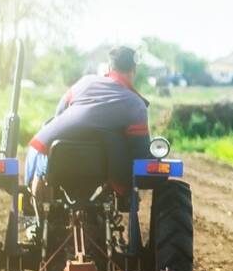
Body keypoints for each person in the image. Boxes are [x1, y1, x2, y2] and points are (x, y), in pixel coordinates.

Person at [24, 45, 151, 198]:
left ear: (109, 67)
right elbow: (140, 150)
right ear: (134, 70)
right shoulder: (136, 103)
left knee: (42, 140)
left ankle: (32, 191)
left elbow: (59, 114)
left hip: (61, 156)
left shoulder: (85, 82)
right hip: (106, 165)